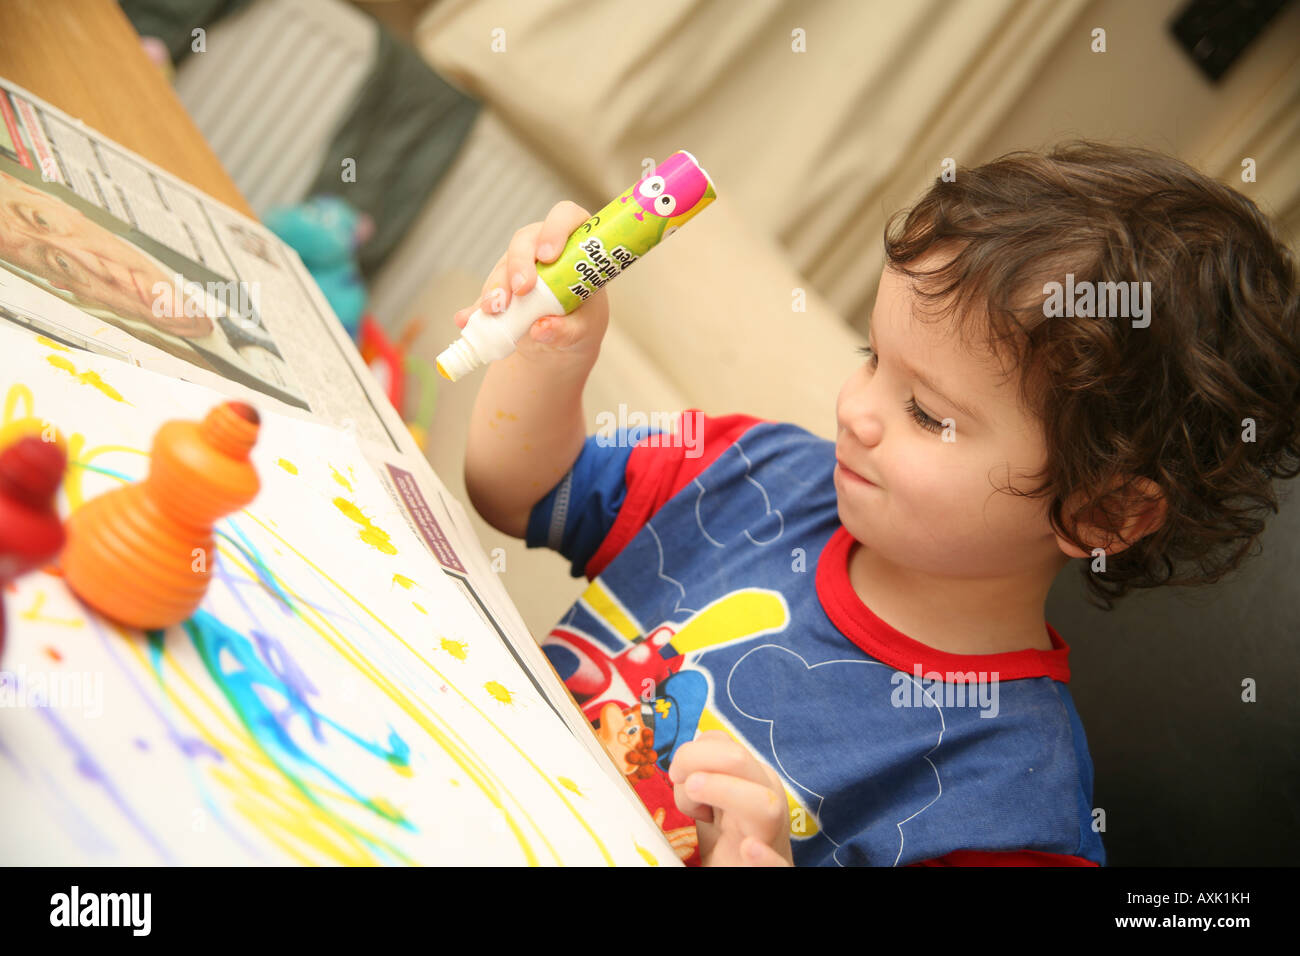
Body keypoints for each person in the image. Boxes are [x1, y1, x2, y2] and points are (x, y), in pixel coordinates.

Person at [458, 141, 1300, 866]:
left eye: (928, 413)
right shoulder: (753, 470)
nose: (855, 410)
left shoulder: (1006, 803)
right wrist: (548, 355)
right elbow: (522, 491)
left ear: (1102, 515)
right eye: (872, 357)